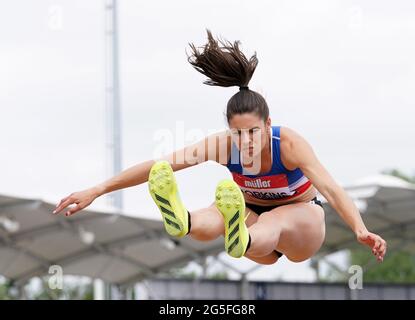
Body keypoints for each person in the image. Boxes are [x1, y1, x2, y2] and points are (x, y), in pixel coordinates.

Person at [53, 30, 387, 265]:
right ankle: (183, 220)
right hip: (248, 219)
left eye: (254, 132)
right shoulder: (223, 145)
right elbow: (159, 165)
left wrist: (361, 229)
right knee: (219, 213)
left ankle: (240, 236)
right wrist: (97, 189)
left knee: (275, 222)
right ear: (229, 130)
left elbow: (330, 187)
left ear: (268, 125)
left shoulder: (288, 144)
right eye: (238, 134)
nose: (246, 142)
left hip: (300, 223)